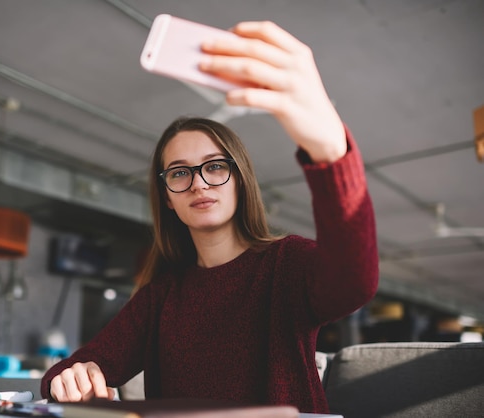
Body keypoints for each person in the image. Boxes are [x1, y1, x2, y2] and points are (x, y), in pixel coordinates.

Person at [41, 20, 378, 413]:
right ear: (167, 197)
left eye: (215, 167)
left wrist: (331, 151)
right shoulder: (161, 296)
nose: (199, 184)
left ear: (240, 181)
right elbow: (77, 367)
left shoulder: (285, 264)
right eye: (180, 173)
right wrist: (70, 377)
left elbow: (355, 283)